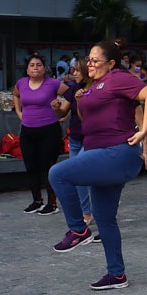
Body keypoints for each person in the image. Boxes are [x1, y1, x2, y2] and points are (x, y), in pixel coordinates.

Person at [48, 40, 147, 290]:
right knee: (105, 218)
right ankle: (116, 275)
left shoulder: (119, 77)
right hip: (100, 153)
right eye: (89, 59)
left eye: (96, 60)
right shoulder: (94, 84)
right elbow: (92, 118)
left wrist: (144, 132)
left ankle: (78, 230)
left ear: (111, 63)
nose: (90, 64)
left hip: (117, 152)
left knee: (58, 173)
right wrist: (70, 104)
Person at [13, 55, 69, 216]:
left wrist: (62, 111)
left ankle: (52, 203)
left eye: (39, 65)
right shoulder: (22, 83)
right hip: (28, 131)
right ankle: (37, 201)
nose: (35, 68)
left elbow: (71, 96)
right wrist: (18, 112)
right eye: (32, 65)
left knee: (47, 168)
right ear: (27, 69)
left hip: (49, 130)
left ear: (44, 68)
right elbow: (15, 95)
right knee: (31, 167)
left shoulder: (53, 83)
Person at [52, 62, 94, 226]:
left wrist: (82, 101)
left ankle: (96, 208)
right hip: (75, 138)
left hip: (91, 138)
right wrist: (56, 108)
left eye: (77, 70)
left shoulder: (96, 88)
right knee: (77, 177)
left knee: (80, 174)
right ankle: (86, 212)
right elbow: (62, 113)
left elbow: (91, 117)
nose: (73, 73)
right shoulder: (73, 88)